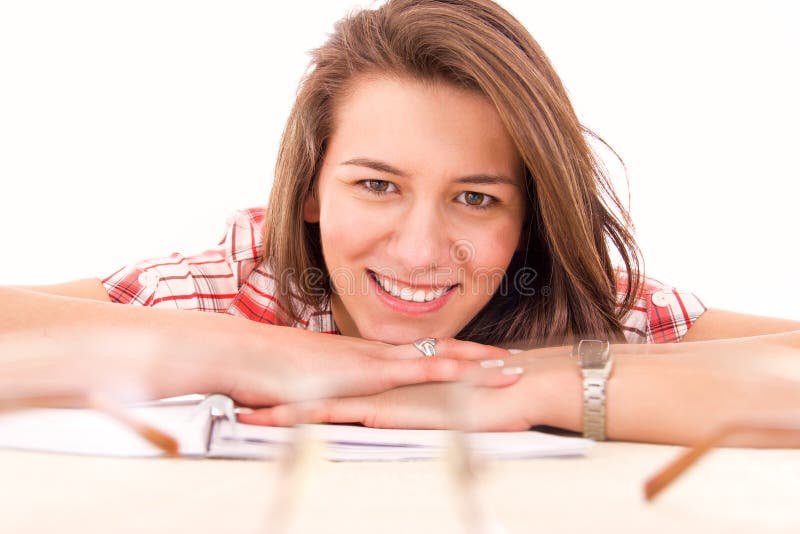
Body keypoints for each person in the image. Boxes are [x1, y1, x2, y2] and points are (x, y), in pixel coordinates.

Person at [2, 0, 799, 447]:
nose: (419, 250)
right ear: (311, 189)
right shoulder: (239, 287)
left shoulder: (567, 302)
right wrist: (259, 351)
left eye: (477, 198)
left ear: (530, 219)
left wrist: (533, 388)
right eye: (378, 184)